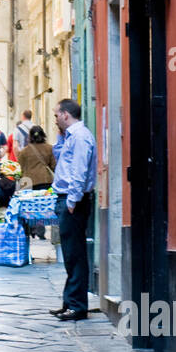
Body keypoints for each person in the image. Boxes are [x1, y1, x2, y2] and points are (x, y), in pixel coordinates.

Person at [49, 99, 97, 322]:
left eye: (57, 114)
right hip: (69, 199)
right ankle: (70, 301)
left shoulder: (79, 137)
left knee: (75, 254)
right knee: (70, 253)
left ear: (66, 115)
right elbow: (61, 158)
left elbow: (78, 170)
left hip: (73, 201)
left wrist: (72, 200)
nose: (55, 118)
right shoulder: (72, 136)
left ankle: (77, 306)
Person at [17, 125, 56, 241]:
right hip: (45, 180)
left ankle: (32, 228)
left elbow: (20, 168)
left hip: (29, 182)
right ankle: (41, 229)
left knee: (31, 207)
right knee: (43, 206)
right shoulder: (49, 149)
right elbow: (54, 166)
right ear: (43, 135)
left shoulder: (24, 152)